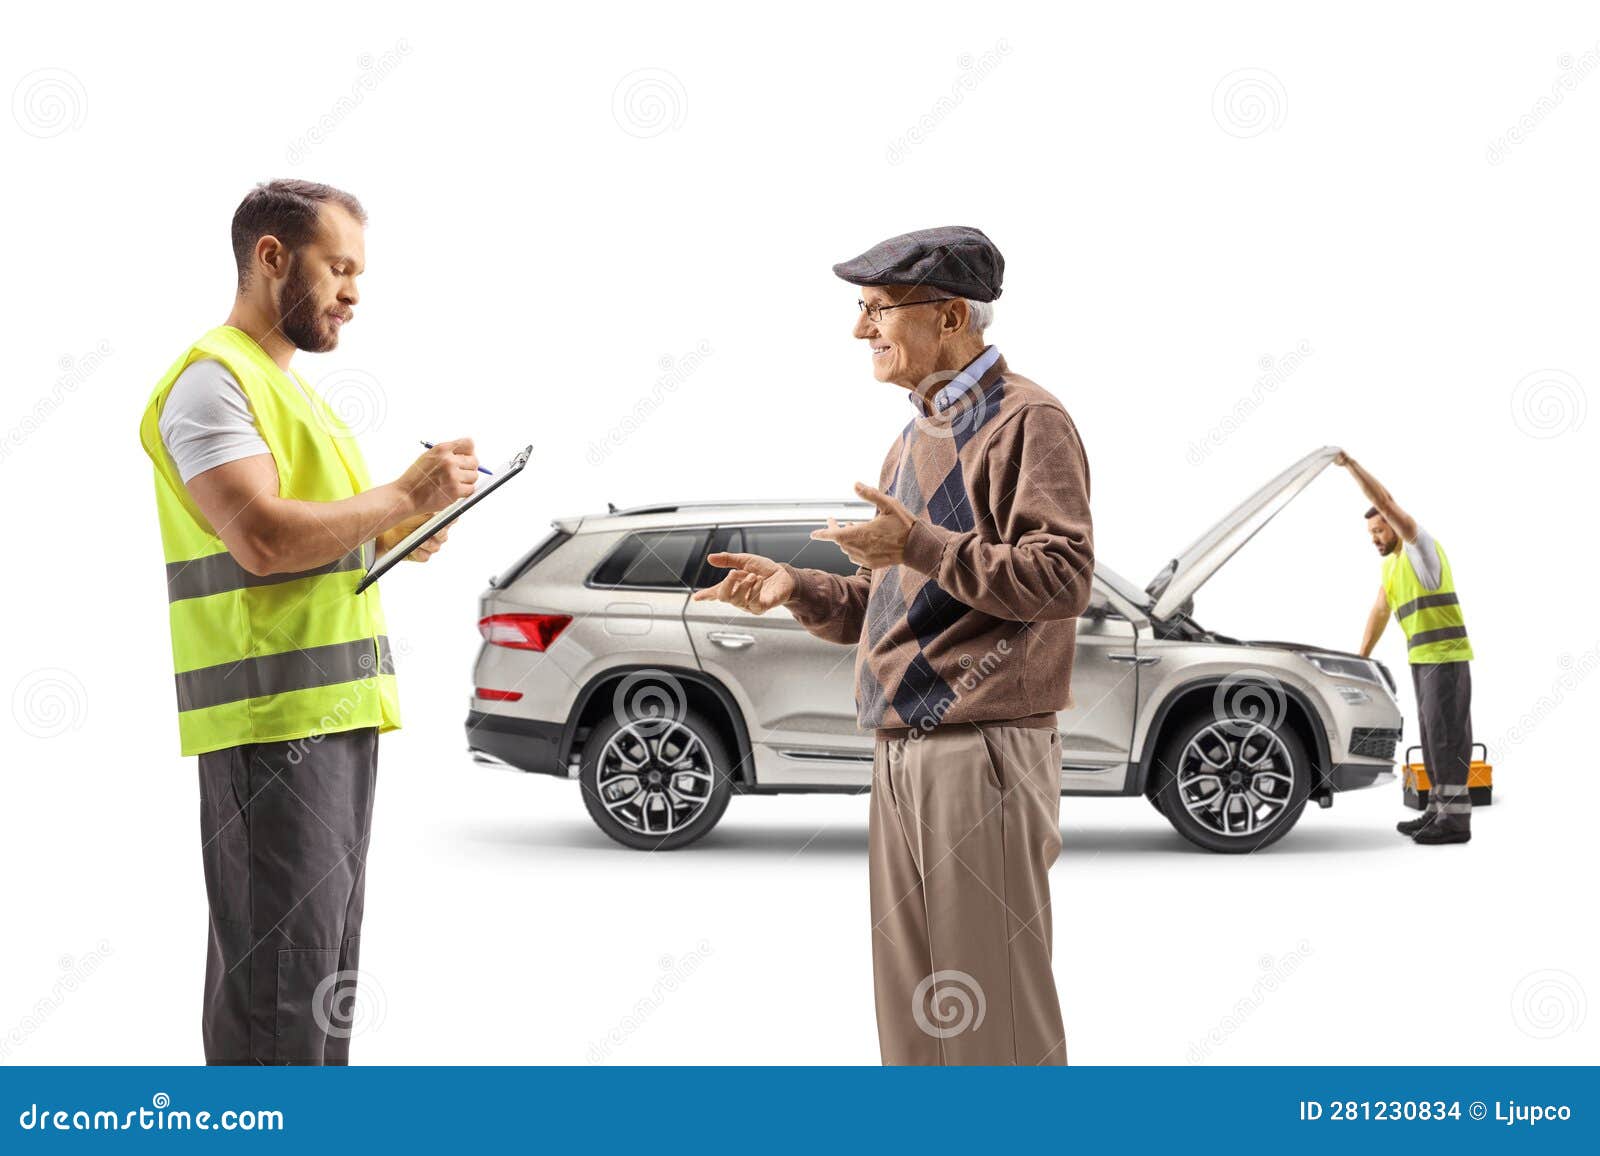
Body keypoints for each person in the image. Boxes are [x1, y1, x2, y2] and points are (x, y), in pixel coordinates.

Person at [692, 226, 1094, 1064]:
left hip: (981, 749)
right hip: (905, 750)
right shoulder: (917, 433)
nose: (859, 330)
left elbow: (1059, 579)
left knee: (997, 1020)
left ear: (951, 317)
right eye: (860, 309)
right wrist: (799, 588)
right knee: (915, 1022)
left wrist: (914, 545)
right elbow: (901, 601)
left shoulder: (1030, 421)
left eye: (877, 309)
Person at [138, 179, 479, 1062]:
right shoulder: (214, 383)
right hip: (272, 724)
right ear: (272, 257)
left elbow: (316, 540)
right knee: (283, 996)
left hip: (330, 720)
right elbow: (258, 536)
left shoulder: (296, 397)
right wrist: (401, 493)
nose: (354, 293)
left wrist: (391, 530)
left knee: (316, 987)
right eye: (339, 268)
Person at [1338, 452, 1475, 845]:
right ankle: (1436, 811)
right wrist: (1360, 658)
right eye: (1371, 534)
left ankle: (1455, 823)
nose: (1375, 538)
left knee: (1448, 737)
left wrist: (1351, 466)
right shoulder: (1391, 566)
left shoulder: (1420, 548)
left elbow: (1385, 501)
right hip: (1423, 661)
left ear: (1395, 526)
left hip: (1446, 658)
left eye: (1380, 531)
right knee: (1434, 738)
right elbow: (1380, 610)